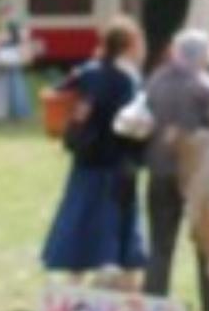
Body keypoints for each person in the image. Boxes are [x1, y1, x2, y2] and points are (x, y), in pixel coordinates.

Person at [41, 15, 147, 282]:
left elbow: (56, 94)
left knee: (80, 217)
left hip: (85, 156)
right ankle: (121, 281)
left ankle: (74, 280)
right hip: (117, 161)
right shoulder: (128, 80)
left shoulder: (87, 71)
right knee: (117, 221)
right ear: (131, 44)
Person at [143, 28, 209, 311]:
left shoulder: (156, 81)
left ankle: (153, 301)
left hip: (160, 169)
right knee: (206, 244)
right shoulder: (204, 86)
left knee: (160, 242)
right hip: (196, 174)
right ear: (202, 56)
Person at [0, 14, 33, 121]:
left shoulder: (6, 26)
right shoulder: (16, 24)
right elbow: (24, 39)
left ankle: (18, 112)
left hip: (9, 57)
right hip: (16, 55)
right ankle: (22, 111)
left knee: (14, 84)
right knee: (18, 82)